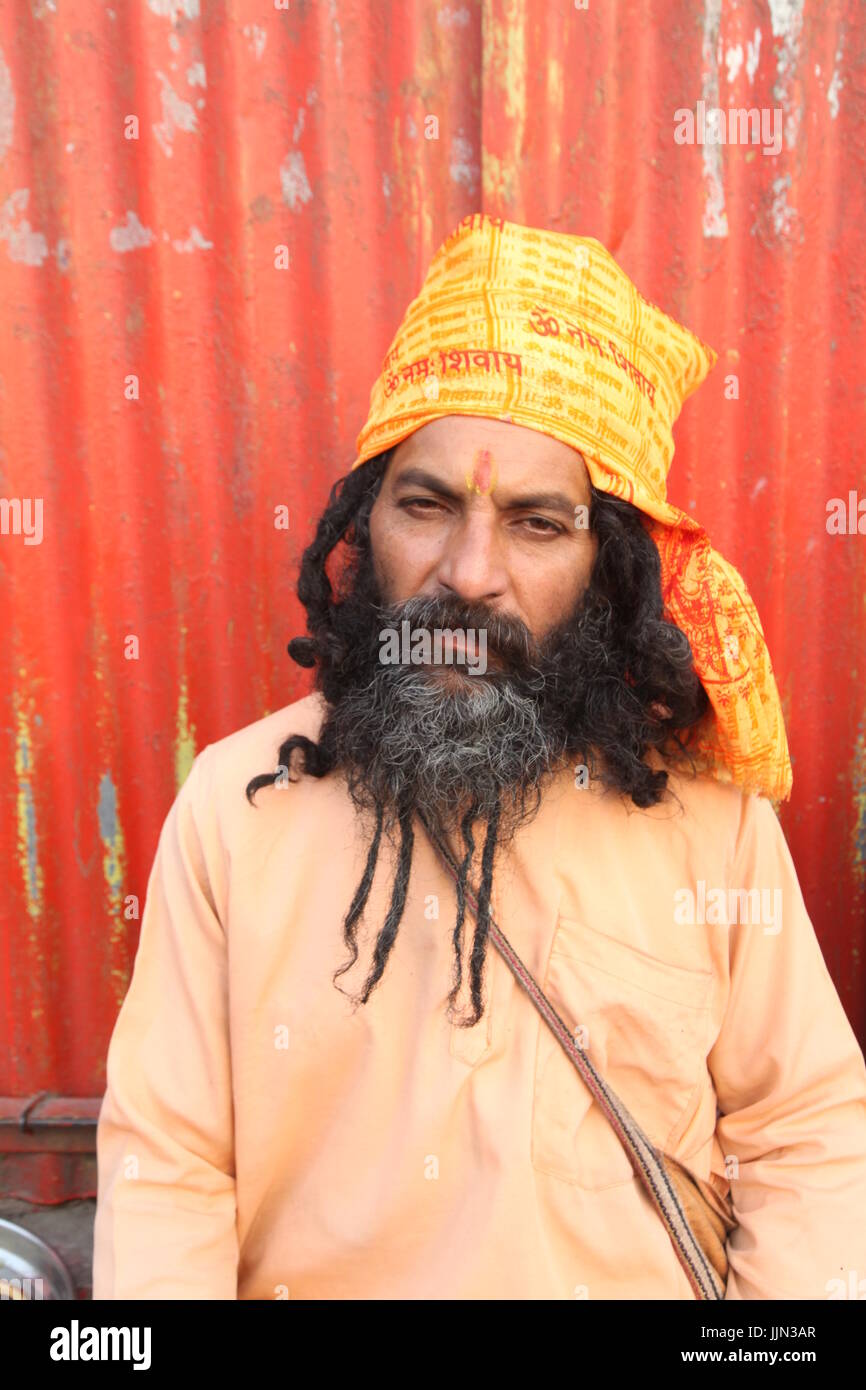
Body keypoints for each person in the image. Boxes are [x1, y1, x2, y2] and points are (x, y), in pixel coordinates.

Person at [92, 213, 866, 1300]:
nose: (467, 574)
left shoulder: (709, 822)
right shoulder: (236, 806)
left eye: (535, 523)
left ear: (610, 569)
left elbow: (802, 1135)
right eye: (427, 503)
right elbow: (167, 1169)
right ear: (367, 527)